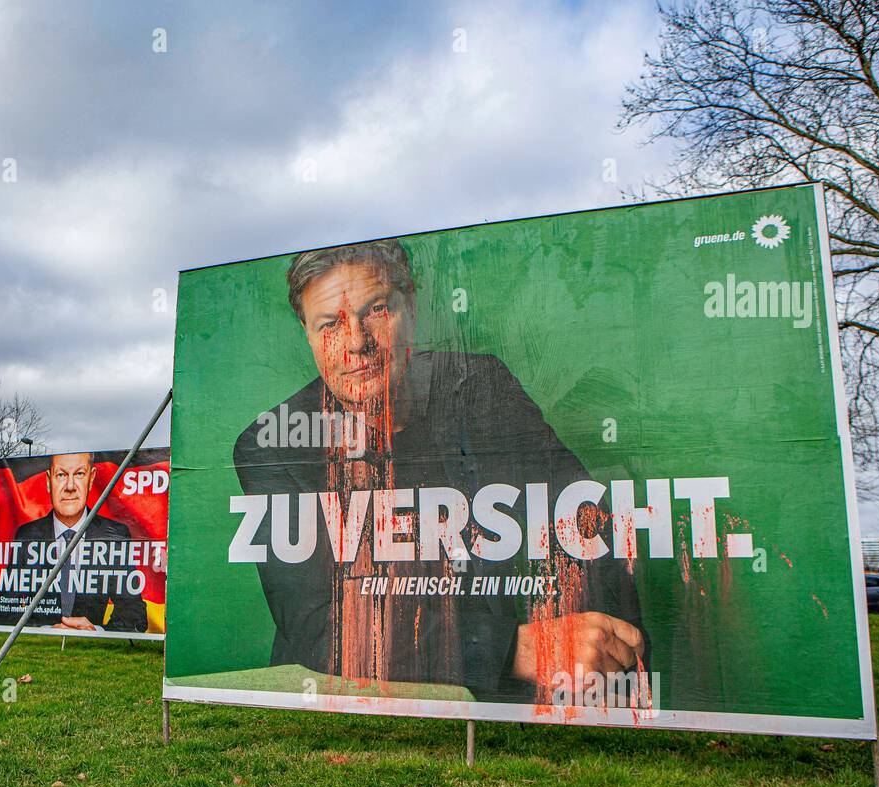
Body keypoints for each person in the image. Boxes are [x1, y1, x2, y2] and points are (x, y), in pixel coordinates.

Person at [232, 239, 646, 703]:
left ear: (410, 308)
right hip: (342, 702)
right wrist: (518, 648)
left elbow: (587, 525)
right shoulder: (272, 444)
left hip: (490, 703)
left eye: (376, 310)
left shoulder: (480, 386)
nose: (356, 343)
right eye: (330, 325)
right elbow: (322, 626)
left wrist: (604, 645)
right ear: (307, 333)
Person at [0, 452, 147, 632]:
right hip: (42, 647)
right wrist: (46, 630)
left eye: (79, 474)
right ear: (49, 480)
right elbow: (0, 614)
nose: (70, 486)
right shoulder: (27, 535)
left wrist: (96, 632)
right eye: (61, 475)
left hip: (89, 647)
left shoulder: (114, 535)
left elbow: (135, 615)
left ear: (91, 478)